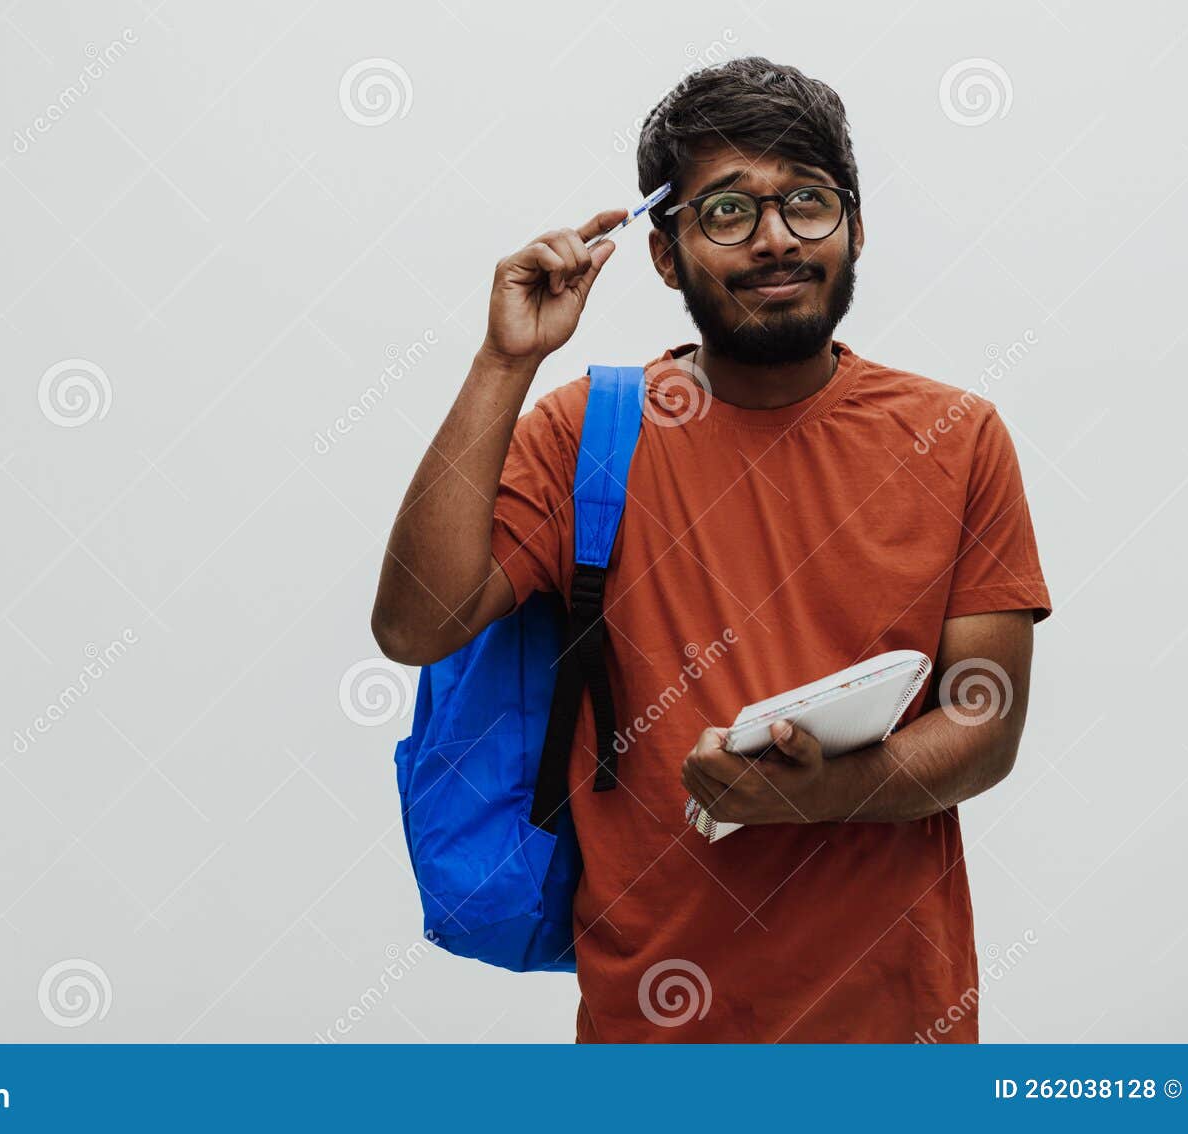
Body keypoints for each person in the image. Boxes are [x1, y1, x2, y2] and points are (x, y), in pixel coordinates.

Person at [370, 57, 1051, 1043]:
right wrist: (504, 362)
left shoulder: (956, 435)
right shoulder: (585, 434)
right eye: (727, 211)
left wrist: (822, 794)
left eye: (807, 204)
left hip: (900, 1031)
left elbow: (983, 724)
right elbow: (413, 625)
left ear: (854, 226)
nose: (776, 239)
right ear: (664, 252)